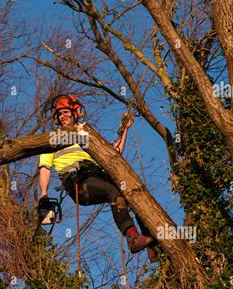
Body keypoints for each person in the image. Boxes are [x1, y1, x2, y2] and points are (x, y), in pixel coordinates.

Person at [38, 94, 157, 256]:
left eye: (65, 112)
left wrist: (125, 129)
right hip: (77, 182)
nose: (62, 116)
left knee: (131, 191)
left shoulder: (87, 136)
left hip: (96, 176)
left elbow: (113, 155)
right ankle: (132, 238)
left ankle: (151, 240)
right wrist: (43, 193)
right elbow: (44, 167)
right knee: (112, 191)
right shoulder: (52, 140)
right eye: (59, 114)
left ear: (75, 113)